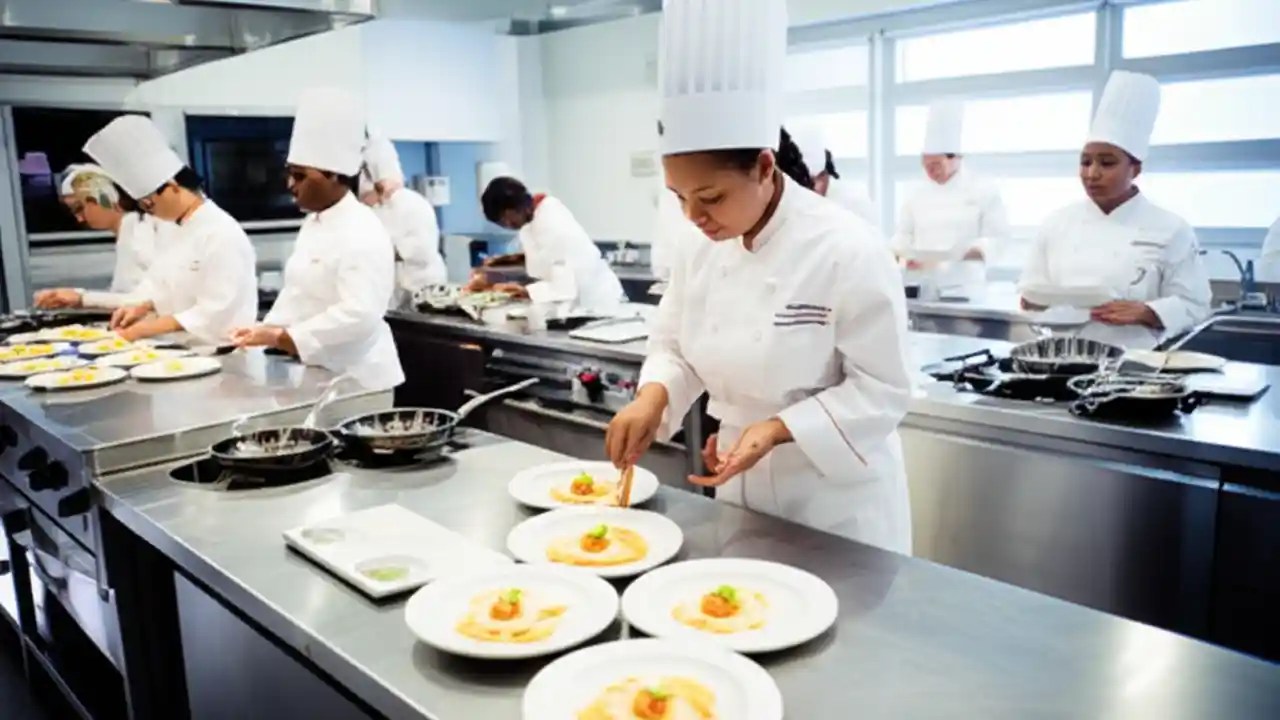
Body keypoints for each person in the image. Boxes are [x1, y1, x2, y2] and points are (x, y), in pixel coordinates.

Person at [604, 0, 914, 554]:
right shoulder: (700, 243)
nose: (693, 218)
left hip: (834, 496)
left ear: (765, 168)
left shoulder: (846, 247)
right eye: (678, 198)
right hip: (739, 484)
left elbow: (883, 389)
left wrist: (773, 429)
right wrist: (651, 398)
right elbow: (674, 343)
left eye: (711, 197)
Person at [1019, 71, 1212, 349]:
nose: (1092, 173)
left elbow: (1196, 305)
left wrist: (1148, 312)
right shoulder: (1056, 223)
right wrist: (1033, 301)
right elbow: (1031, 292)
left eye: (1107, 163)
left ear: (1135, 169)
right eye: (1085, 162)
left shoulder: (1171, 228)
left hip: (1133, 364)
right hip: (1061, 359)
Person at [231, 87, 404, 391]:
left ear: (336, 175)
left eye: (300, 176)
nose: (290, 185)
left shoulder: (362, 229)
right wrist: (265, 328)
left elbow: (359, 313)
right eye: (290, 174)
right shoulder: (313, 223)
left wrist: (284, 338)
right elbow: (297, 293)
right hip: (320, 372)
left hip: (361, 380)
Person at [83, 115, 257, 343]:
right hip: (187, 352)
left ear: (172, 187)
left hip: (226, 353)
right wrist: (143, 306)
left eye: (148, 203)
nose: (148, 211)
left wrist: (144, 330)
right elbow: (164, 285)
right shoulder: (176, 229)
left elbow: (215, 311)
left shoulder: (221, 233)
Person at [892, 101, 1008, 292]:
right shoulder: (915, 192)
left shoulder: (983, 189)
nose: (930, 171)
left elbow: (997, 237)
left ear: (955, 158)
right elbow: (904, 234)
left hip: (967, 286)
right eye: (925, 164)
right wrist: (900, 252)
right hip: (922, 282)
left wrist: (976, 251)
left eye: (936, 165)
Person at [476, 176, 625, 315]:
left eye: (504, 220)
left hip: (595, 303)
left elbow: (564, 287)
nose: (507, 226)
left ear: (512, 209)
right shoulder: (534, 217)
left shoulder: (552, 222)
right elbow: (544, 256)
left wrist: (521, 291)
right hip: (578, 302)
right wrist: (501, 262)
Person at [33, 164, 167, 309]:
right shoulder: (127, 231)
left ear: (103, 198)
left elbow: (152, 297)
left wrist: (82, 298)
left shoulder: (140, 230)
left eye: (79, 208)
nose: (79, 218)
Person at [359, 135, 448, 308]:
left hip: (424, 294)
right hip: (391, 298)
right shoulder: (366, 213)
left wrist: (384, 252)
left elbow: (422, 250)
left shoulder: (412, 203)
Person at [792, 127, 880, 228]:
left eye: (819, 177)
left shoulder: (854, 202)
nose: (813, 188)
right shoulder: (793, 208)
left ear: (828, 173)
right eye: (804, 182)